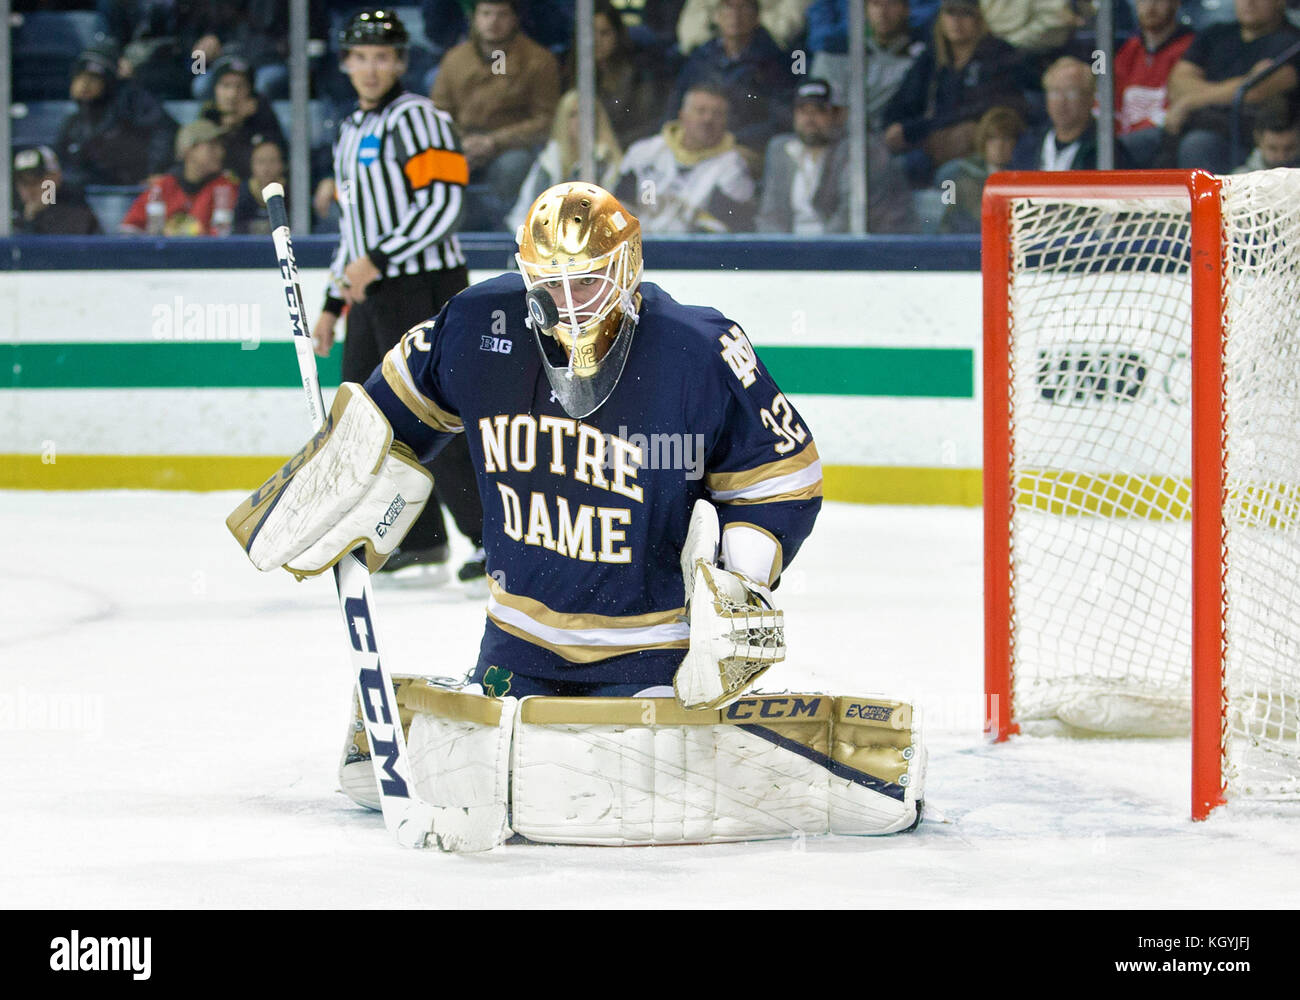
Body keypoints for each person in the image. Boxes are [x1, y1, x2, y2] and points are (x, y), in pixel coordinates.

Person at [237, 179, 820, 700]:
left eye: (586, 283)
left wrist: (742, 587)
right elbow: (387, 420)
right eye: (550, 284)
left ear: (627, 266)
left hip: (651, 649)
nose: (567, 306)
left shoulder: (696, 349)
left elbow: (779, 474)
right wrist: (341, 472)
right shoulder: (479, 324)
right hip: (516, 645)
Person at [311, 9, 485, 587]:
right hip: (372, 293)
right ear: (344, 63)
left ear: (400, 62)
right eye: (359, 57)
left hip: (423, 288)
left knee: (440, 412)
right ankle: (420, 535)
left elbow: (444, 200)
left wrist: (377, 262)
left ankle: (491, 537)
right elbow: (352, 233)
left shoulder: (420, 117)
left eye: (382, 56)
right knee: (366, 420)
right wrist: (336, 302)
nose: (369, 67)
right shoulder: (349, 130)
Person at [431, 0, 563, 230]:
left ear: (514, 19)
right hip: (461, 143)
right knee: (434, 164)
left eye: (502, 14)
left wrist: (494, 141)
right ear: (474, 18)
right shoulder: (455, 59)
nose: (493, 21)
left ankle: (504, 233)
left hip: (512, 147)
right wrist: (461, 142)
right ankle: (445, 230)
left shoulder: (538, 60)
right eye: (486, 13)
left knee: (512, 167)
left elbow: (545, 120)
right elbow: (438, 113)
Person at [880, 0, 1025, 184]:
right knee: (891, 167)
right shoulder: (932, 56)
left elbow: (976, 109)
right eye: (950, 13)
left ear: (978, 19)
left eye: (965, 14)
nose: (956, 21)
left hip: (977, 150)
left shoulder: (998, 54)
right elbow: (902, 101)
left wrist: (915, 130)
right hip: (927, 144)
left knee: (947, 174)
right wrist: (895, 126)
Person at [756, 77, 917, 233]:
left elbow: (848, 219)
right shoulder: (781, 150)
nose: (809, 119)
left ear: (840, 115)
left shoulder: (861, 150)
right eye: (803, 110)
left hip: (851, 253)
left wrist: (811, 255)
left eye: (819, 111)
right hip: (794, 253)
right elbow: (771, 215)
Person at [1163, 0, 1300, 173]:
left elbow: (1254, 92)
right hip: (1190, 122)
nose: (1249, 3)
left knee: (1198, 144)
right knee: (1130, 144)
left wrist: (1189, 102)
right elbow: (1177, 82)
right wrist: (1237, 85)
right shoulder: (1215, 32)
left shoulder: (1292, 42)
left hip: (1243, 135)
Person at [615, 81, 757, 232]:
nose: (708, 119)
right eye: (700, 111)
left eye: (717, 114)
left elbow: (718, 234)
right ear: (682, 115)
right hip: (636, 249)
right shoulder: (644, 152)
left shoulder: (733, 167)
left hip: (691, 252)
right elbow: (617, 213)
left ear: (726, 122)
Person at [666, 0, 796, 155]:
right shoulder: (701, 56)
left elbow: (780, 120)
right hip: (693, 143)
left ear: (757, 17)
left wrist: (731, 140)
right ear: (717, 16)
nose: (735, 15)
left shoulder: (775, 62)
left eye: (744, 7)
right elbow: (675, 105)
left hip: (740, 149)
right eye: (728, 7)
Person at [55, 39, 178, 188]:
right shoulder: (73, 123)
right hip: (92, 192)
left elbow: (163, 130)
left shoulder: (131, 101)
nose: (85, 85)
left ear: (108, 82)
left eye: (94, 78)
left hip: (134, 186)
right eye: (80, 77)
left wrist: (157, 170)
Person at [505, 90, 625, 233]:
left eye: (587, 113)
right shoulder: (549, 161)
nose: (580, 120)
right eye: (573, 114)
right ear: (563, 120)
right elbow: (524, 211)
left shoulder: (609, 161)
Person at [810, 0, 927, 132]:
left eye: (892, 3)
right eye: (876, 4)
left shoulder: (923, 57)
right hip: (840, 140)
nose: (882, 12)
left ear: (906, 9)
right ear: (864, 10)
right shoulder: (838, 53)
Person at [1010, 56, 1135, 170]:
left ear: (1090, 98)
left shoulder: (1107, 150)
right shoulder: (1028, 145)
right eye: (1054, 92)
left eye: (1071, 93)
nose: (1061, 101)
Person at [119, 120, 239, 236]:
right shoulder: (164, 186)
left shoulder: (225, 187)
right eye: (212, 146)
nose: (221, 152)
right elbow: (130, 228)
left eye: (220, 146)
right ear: (188, 149)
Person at [1114, 0, 1196, 168]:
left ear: (1176, 3)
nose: (1150, 6)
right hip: (1125, 142)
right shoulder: (1129, 49)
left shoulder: (1192, 47)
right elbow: (1111, 103)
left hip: (1165, 141)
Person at [934, 104, 1024, 233]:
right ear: (983, 141)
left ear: (1016, 143)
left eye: (1006, 139)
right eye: (992, 138)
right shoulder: (964, 181)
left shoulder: (1025, 182)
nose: (999, 146)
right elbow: (948, 226)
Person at [197, 54, 287, 182]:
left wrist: (241, 124)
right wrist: (226, 128)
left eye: (240, 86)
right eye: (226, 86)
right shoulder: (208, 115)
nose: (232, 94)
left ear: (250, 91)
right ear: (215, 89)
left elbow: (276, 157)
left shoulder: (262, 113)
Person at [11, 146, 102, 236]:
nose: (30, 191)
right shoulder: (9, 215)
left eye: (36, 182)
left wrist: (32, 219)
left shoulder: (77, 214)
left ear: (55, 177)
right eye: (23, 183)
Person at [232, 139, 286, 235]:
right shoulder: (241, 192)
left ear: (281, 164)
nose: (266, 168)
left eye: (272, 161)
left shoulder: (291, 191)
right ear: (252, 165)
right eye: (261, 162)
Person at [1233, 97, 1300, 169]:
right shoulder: (1239, 178)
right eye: (1273, 148)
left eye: (1289, 148)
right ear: (1258, 140)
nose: (1281, 157)